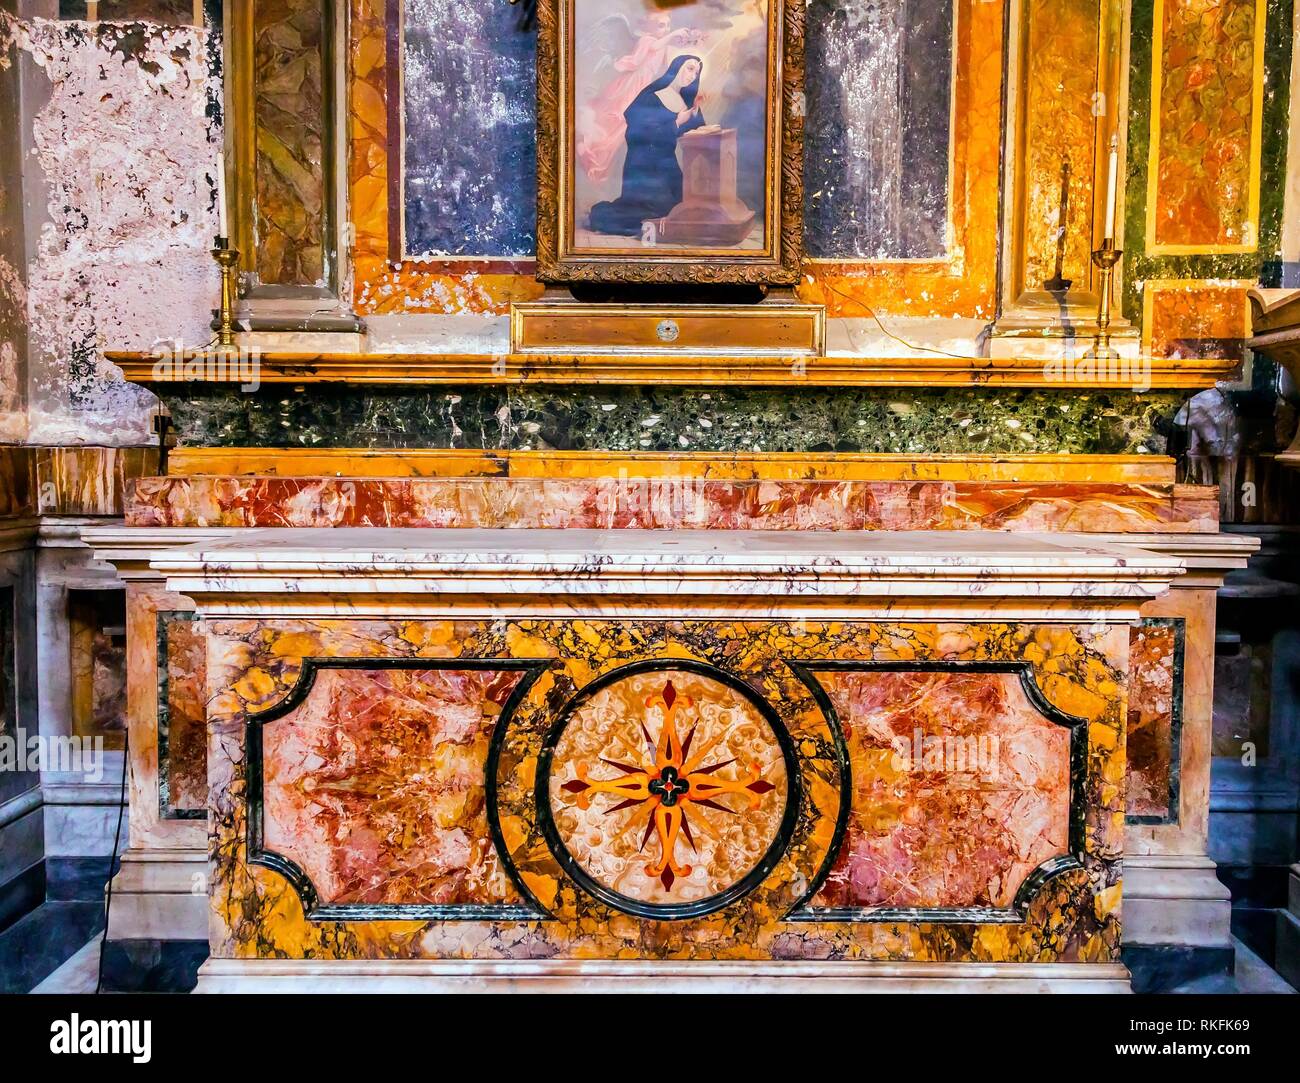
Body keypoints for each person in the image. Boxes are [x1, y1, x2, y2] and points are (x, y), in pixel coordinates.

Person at [588, 55, 706, 238]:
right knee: (651, 212)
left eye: (696, 72)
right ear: (676, 67)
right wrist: (675, 122)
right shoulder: (652, 96)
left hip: (667, 165)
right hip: (643, 165)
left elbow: (694, 131)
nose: (692, 76)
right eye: (689, 68)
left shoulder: (683, 102)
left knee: (680, 207)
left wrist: (695, 111)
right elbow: (637, 131)